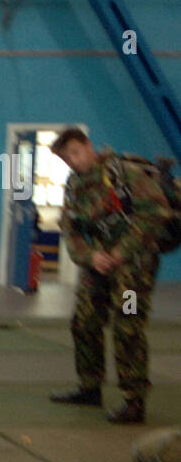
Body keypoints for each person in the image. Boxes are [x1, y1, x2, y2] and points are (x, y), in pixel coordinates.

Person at [48, 128, 171, 424]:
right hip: (99, 263)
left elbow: (156, 212)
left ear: (89, 146)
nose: (73, 162)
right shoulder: (75, 185)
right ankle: (90, 387)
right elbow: (70, 227)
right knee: (84, 320)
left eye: (76, 153)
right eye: (67, 158)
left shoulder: (124, 174)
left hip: (133, 266)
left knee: (127, 325)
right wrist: (90, 257)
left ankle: (134, 399)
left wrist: (121, 251)